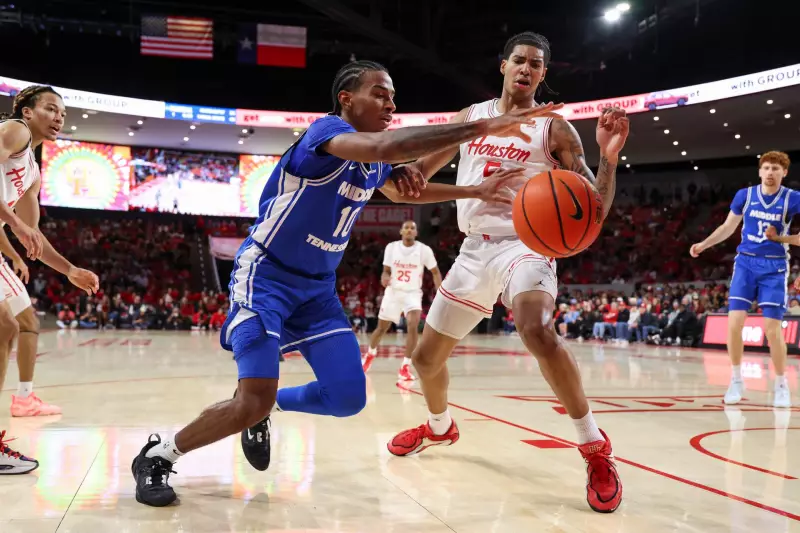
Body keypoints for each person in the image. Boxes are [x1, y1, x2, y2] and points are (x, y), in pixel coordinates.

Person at [131, 59, 563, 507]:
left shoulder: (375, 164)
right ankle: (160, 454)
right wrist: (485, 126)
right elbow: (384, 150)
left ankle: (267, 408)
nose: (390, 103)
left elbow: (402, 189)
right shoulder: (324, 133)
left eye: (393, 95)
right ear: (346, 99)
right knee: (251, 400)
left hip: (317, 290)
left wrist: (473, 192)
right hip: (266, 276)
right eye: (380, 93)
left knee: (346, 397)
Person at [385, 32, 629, 514]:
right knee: (425, 360)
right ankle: (439, 428)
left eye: (536, 64)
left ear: (542, 74)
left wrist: (610, 155)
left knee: (536, 329)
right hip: (475, 250)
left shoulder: (555, 128)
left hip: (529, 244)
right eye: (519, 60)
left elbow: (595, 208)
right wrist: (391, 167)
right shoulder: (471, 118)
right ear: (503, 66)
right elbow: (415, 179)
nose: (526, 68)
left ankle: (595, 447)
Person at [0, 85, 100, 474]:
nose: (59, 117)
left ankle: (22, 400)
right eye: (50, 109)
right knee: (8, 323)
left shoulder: (33, 174)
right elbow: (21, 228)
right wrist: (15, 224)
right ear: (26, 112)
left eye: (62, 112)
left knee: (10, 324)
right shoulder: (15, 130)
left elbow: (34, 239)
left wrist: (70, 269)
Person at [692, 151, 797, 408]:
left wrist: (782, 239)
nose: (771, 172)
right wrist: (704, 244)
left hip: (774, 268)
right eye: (767, 168)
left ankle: (781, 383)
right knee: (734, 323)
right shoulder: (745, 195)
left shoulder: (792, 199)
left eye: (776, 169)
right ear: (760, 171)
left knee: (773, 331)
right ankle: (736, 379)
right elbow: (728, 227)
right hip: (746, 264)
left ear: (784, 173)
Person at [362, 220, 441, 381]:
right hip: (393, 292)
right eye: (406, 228)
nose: (410, 230)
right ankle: (370, 353)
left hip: (412, 293)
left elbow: (435, 272)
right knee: (381, 329)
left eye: (413, 228)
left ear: (416, 233)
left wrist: (440, 292)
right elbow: (385, 271)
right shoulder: (391, 247)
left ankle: (405, 366)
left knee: (412, 326)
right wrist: (384, 277)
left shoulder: (424, 250)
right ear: (401, 231)